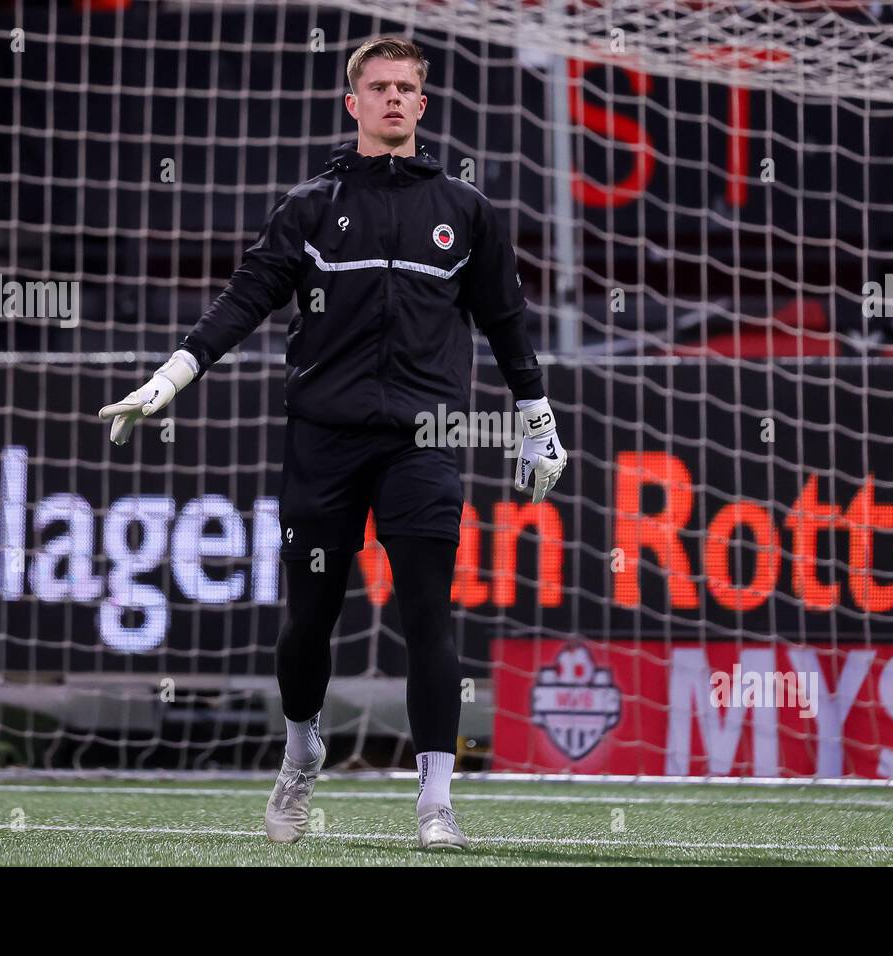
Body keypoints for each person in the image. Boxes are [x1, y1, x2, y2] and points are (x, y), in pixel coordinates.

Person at [99, 35, 567, 851]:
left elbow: (506, 323)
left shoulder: (465, 211)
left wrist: (537, 417)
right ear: (353, 103)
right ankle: (301, 748)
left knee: (429, 615)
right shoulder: (312, 205)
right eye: (378, 86)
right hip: (323, 440)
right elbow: (242, 300)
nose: (393, 98)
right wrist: (168, 378)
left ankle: (435, 805)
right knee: (308, 623)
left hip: (426, 439)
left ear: (424, 104)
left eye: (407, 87)